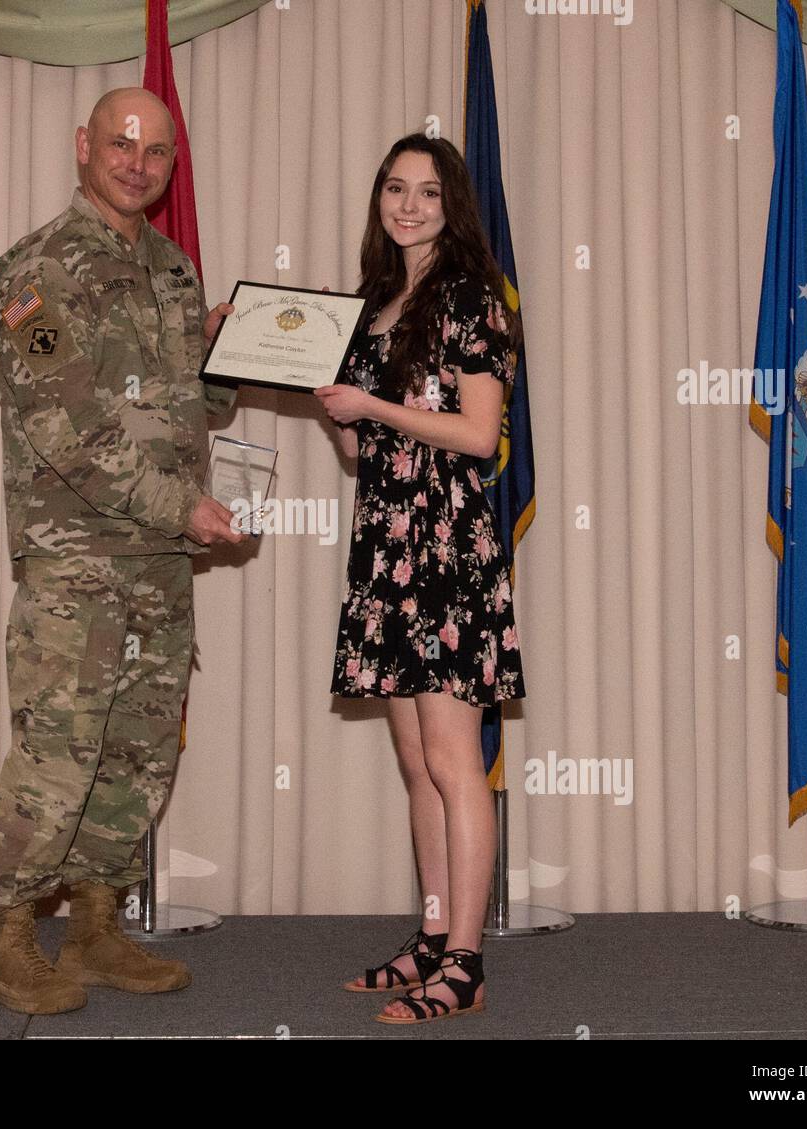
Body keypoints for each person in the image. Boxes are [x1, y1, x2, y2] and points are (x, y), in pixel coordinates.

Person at [0, 87, 243, 1016]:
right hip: (76, 558)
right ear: (84, 144)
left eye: (158, 150)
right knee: (58, 751)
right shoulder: (36, 273)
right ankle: (6, 941)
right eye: (123, 143)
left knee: (134, 755)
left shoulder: (173, 272)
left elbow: (191, 410)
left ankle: (94, 926)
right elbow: (69, 428)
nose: (139, 162)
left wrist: (226, 358)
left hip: (158, 560)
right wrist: (187, 507)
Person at [315, 133, 526, 1025]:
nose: (408, 205)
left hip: (443, 545)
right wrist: (333, 405)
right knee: (415, 763)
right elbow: (364, 448)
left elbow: (479, 436)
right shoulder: (371, 304)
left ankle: (468, 963)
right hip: (385, 536)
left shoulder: (473, 297)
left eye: (428, 193)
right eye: (395, 189)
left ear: (453, 207)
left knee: (452, 759)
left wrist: (372, 405)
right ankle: (434, 937)